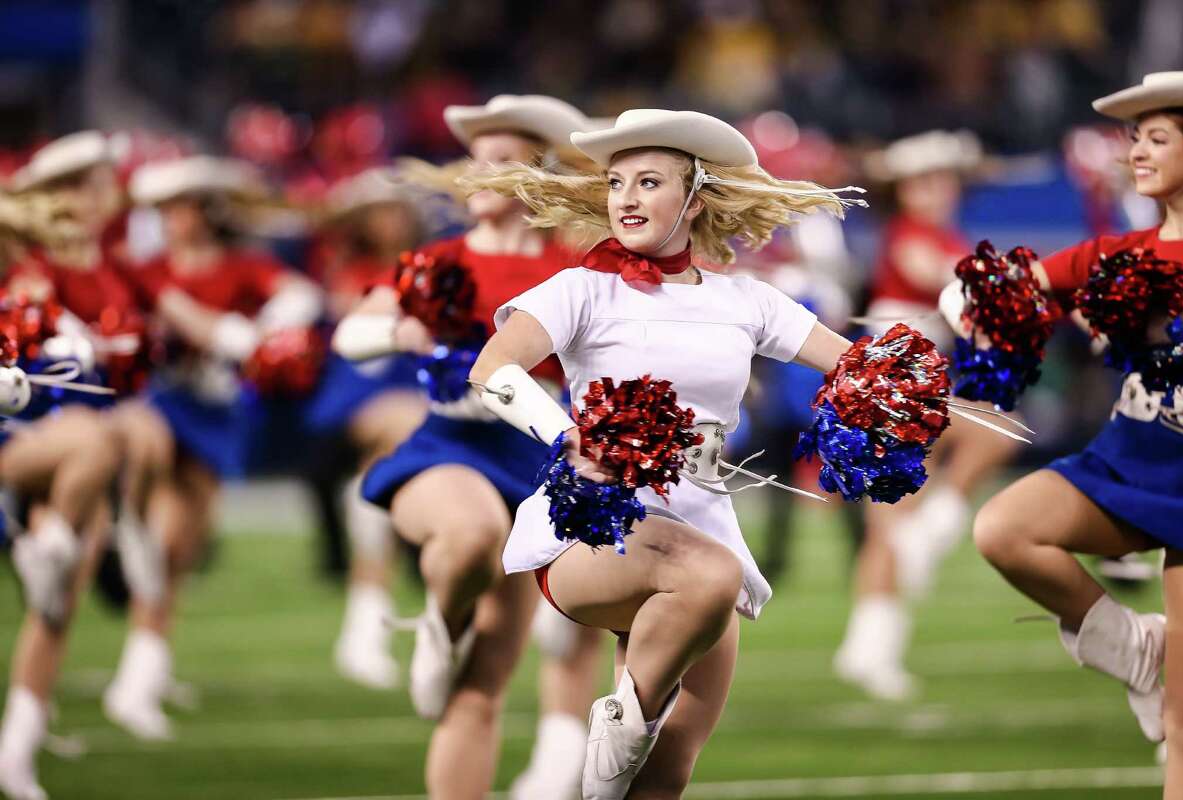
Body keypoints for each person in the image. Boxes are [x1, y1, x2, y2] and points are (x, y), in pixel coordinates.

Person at [466, 108, 867, 798]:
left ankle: (620, 743)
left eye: (648, 181)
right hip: (598, 526)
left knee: (671, 765)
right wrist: (568, 434)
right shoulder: (580, 289)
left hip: (701, 519)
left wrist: (913, 382)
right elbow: (493, 370)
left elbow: (854, 364)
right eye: (617, 181)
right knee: (708, 577)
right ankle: (613, 729)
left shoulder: (744, 300)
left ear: (694, 199)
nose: (625, 196)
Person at [332, 94, 594, 798]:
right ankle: (440, 629)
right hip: (450, 444)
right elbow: (349, 337)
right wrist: (399, 332)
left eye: (502, 162)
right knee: (474, 532)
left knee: (481, 692)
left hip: (538, 464)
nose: (481, 175)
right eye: (476, 162)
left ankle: (463, 667)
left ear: (536, 176)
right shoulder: (438, 259)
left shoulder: (575, 270)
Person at [968, 71, 1183, 794]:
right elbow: (1007, 286)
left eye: (1156, 139)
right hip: (1130, 462)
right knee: (1003, 528)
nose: (1136, 153)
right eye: (1134, 139)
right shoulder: (1118, 254)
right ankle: (1132, 644)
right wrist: (972, 303)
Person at [103, 155, 323, 740]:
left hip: (215, 414)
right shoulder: (144, 270)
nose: (171, 219)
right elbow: (192, 328)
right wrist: (229, 333)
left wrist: (270, 329)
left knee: (179, 545)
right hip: (159, 404)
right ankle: (134, 669)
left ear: (205, 211)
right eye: (165, 209)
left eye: (181, 206)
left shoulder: (242, 265)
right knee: (153, 512)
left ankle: (147, 665)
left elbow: (300, 295)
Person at [834, 130, 1020, 700]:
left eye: (943, 180)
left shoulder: (945, 234)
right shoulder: (909, 235)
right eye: (923, 181)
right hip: (888, 380)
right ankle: (936, 527)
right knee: (996, 431)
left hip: (918, 380)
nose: (937, 190)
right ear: (905, 191)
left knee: (890, 523)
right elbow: (929, 274)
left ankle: (869, 649)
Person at [0, 131, 133, 800]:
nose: (108, 192)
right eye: (94, 181)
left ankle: (16, 749)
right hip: (18, 434)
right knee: (94, 439)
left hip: (61, 441)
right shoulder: (27, 254)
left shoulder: (107, 261)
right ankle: (47, 539)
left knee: (59, 598)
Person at [310, 167, 430, 689]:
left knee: (387, 467)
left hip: (417, 402)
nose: (390, 222)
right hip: (358, 399)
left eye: (397, 211)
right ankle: (370, 622)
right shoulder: (350, 270)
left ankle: (368, 623)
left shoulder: (430, 265)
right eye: (379, 213)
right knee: (399, 430)